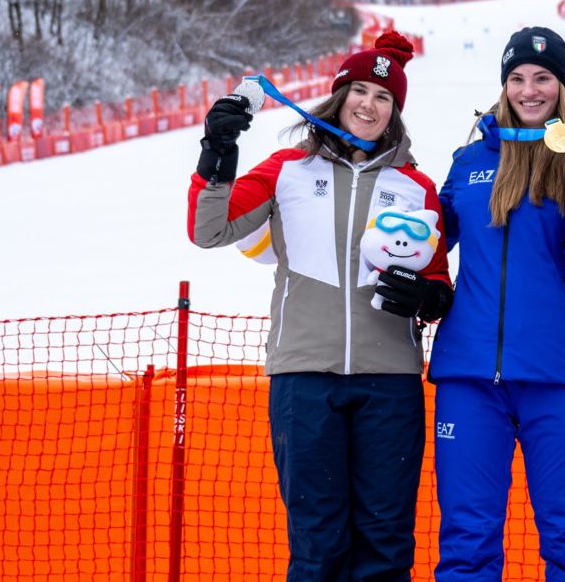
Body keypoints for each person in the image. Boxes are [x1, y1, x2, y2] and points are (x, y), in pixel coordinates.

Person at [187, 31, 453, 581]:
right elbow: (207, 229)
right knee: (318, 542)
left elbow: (434, 283)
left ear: (395, 111)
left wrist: (429, 297)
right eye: (359, 90)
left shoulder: (415, 186)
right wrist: (218, 151)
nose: (369, 104)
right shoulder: (287, 168)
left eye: (383, 97)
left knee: (386, 540)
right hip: (304, 380)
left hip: (391, 385)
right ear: (337, 97)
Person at [427, 26, 565, 581]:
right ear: (504, 85)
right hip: (469, 374)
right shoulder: (469, 159)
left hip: (558, 373)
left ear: (563, 86)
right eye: (517, 79)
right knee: (467, 539)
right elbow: (428, 242)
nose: (530, 90)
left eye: (543, 78)